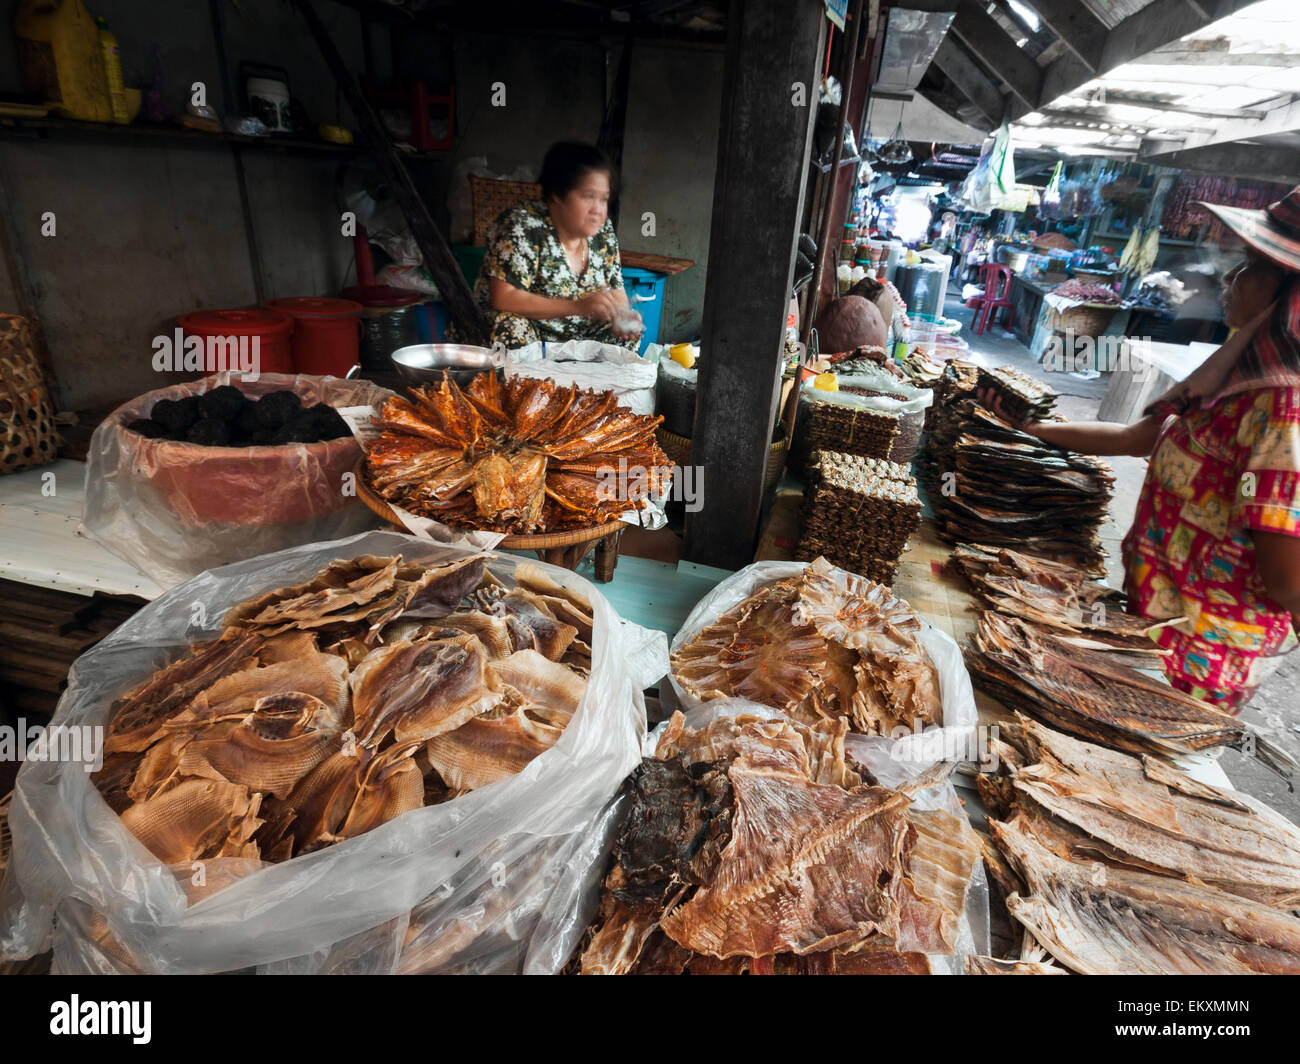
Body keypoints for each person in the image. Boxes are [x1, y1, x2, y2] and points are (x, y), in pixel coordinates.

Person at [979, 187, 1300, 714]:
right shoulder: (1229, 380)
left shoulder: (1281, 411)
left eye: (1248, 266)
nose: (1230, 279)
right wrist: (1028, 428)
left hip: (1196, 663)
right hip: (1146, 626)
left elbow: (1289, 581)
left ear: (1289, 296)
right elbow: (1135, 439)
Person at [474, 141, 641, 351]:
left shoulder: (603, 232)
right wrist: (577, 307)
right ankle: (526, 383)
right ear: (557, 194)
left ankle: (594, 384)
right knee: (510, 326)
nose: (598, 210)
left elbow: (617, 292)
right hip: (532, 331)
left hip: (578, 334)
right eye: (588, 197)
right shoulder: (522, 226)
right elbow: (504, 298)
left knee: (626, 338)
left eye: (604, 199)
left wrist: (622, 317)